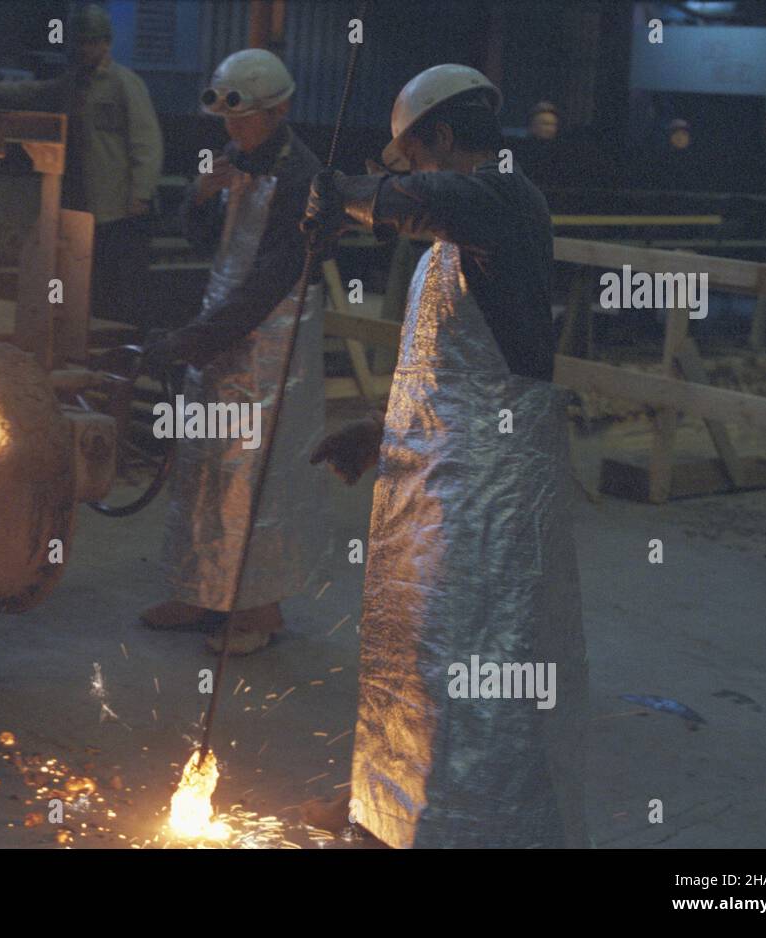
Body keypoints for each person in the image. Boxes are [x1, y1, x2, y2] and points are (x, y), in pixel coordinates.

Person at [302, 65, 588, 847]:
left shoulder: (503, 198)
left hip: (489, 490)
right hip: (433, 474)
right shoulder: (458, 234)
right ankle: (382, 801)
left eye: (415, 156)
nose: (413, 174)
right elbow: (445, 364)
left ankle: (469, 830)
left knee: (470, 665)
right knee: (411, 652)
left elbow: (419, 200)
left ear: (446, 139)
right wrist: (379, 432)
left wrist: (344, 194)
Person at [138, 49, 328, 656]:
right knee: (206, 465)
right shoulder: (234, 161)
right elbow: (198, 236)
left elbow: (266, 284)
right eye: (227, 118)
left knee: (256, 476)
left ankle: (257, 611)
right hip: (222, 325)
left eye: (243, 119)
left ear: (279, 110)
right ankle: (200, 590)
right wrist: (200, 195)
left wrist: (186, 343)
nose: (232, 129)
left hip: (270, 338)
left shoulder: (303, 178)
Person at [0, 4, 163, 332]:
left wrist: (141, 193)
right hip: (84, 204)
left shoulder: (125, 84)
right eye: (80, 42)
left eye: (90, 42)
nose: (84, 48)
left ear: (105, 44)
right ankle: (84, 337)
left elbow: (147, 142)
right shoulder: (72, 84)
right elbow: (34, 92)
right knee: (83, 281)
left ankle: (119, 341)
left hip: (118, 209)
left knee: (117, 284)